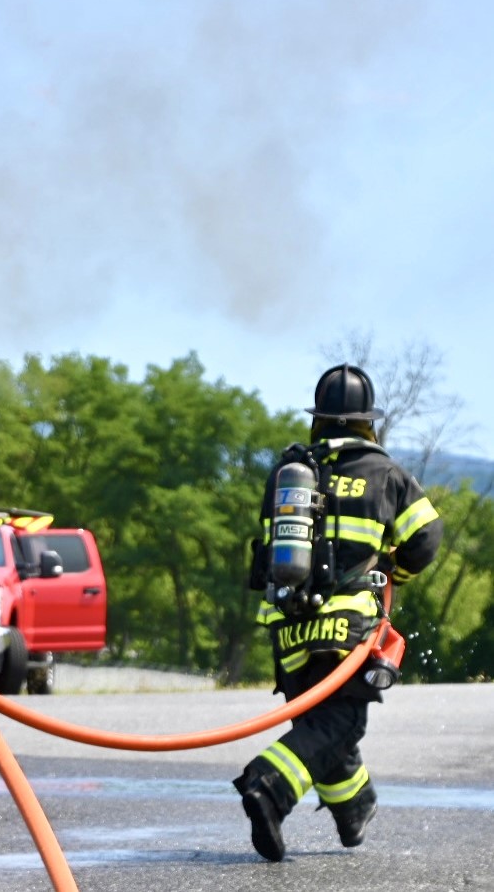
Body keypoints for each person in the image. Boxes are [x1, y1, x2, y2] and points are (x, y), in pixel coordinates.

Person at [235, 363, 443, 861]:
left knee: (325, 729)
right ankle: (268, 786)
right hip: (345, 626)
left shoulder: (289, 475)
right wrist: (396, 572)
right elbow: (427, 538)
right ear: (366, 422)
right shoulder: (385, 474)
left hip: (287, 631)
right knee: (342, 724)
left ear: (320, 419)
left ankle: (354, 812)